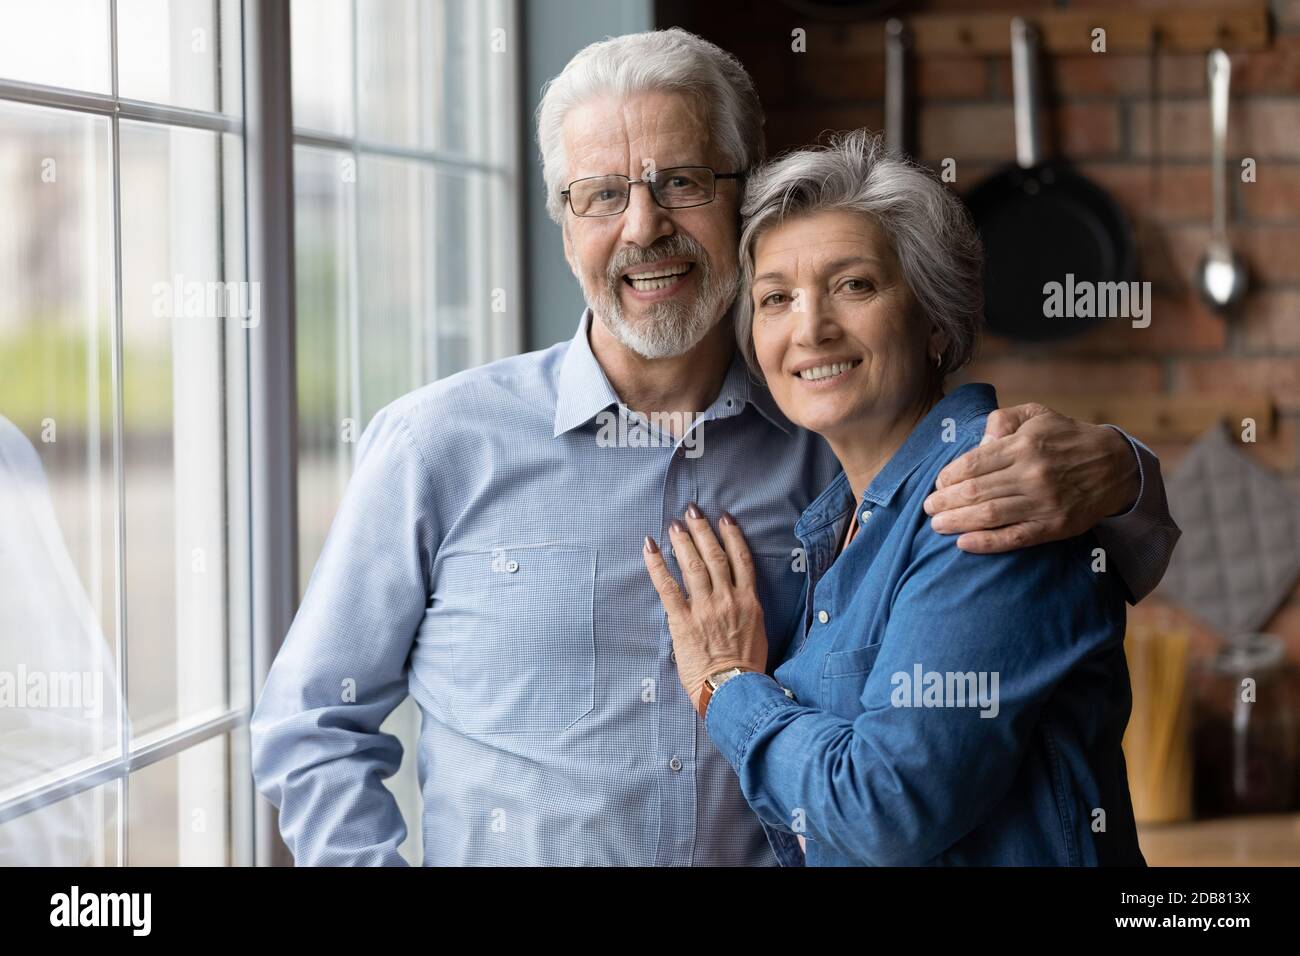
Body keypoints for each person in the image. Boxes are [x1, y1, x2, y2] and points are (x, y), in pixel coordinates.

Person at [251, 29, 1177, 866]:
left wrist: (1124, 473)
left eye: (681, 181)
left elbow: (1053, 577)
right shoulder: (437, 446)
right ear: (564, 222)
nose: (643, 224)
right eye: (602, 193)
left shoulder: (835, 439)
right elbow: (312, 723)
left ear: (742, 197)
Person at [644, 129, 1146, 865]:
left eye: (854, 285)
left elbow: (883, 809)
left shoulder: (985, 499)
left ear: (938, 321)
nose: (810, 328)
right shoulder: (838, 521)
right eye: (777, 298)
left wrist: (729, 688)